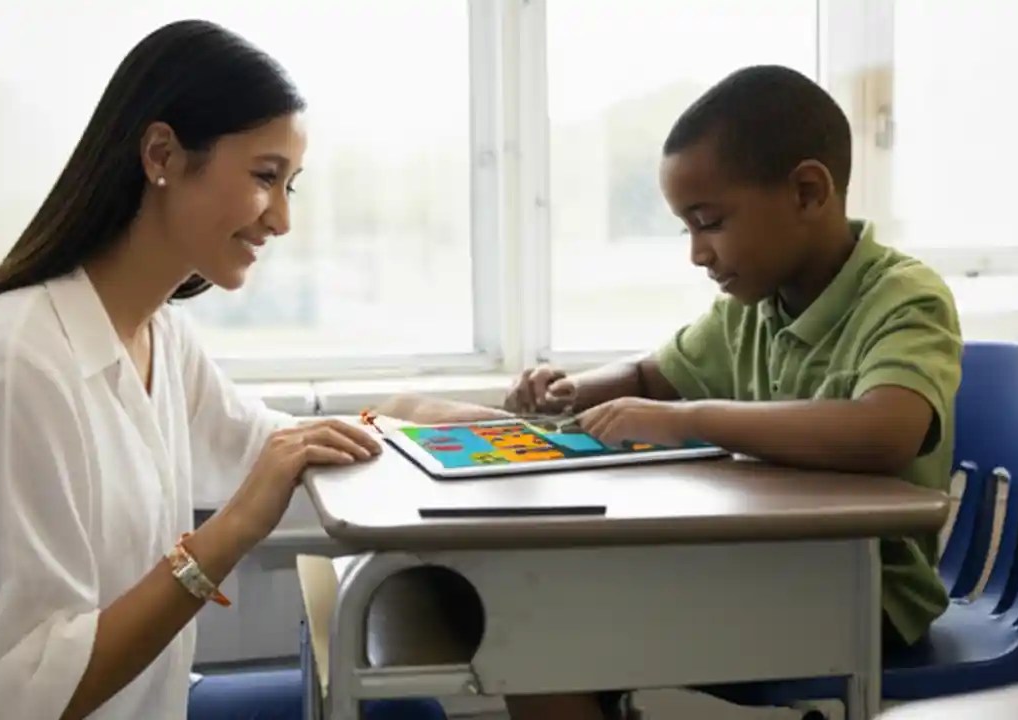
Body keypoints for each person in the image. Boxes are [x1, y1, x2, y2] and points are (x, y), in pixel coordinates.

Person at [0, 19, 436, 720]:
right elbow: (24, 695)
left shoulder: (159, 335)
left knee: (403, 708)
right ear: (162, 154)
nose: (282, 220)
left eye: (290, 185)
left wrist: (443, 425)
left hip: (152, 705)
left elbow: (274, 449)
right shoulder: (17, 363)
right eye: (265, 177)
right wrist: (231, 531)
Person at [385, 64, 962, 720]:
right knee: (538, 612)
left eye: (709, 222)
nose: (697, 253)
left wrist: (692, 418)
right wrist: (568, 392)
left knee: (547, 631)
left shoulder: (904, 298)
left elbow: (886, 430)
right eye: (687, 229)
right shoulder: (752, 307)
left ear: (807, 192)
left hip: (865, 591)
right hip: (772, 563)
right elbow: (649, 378)